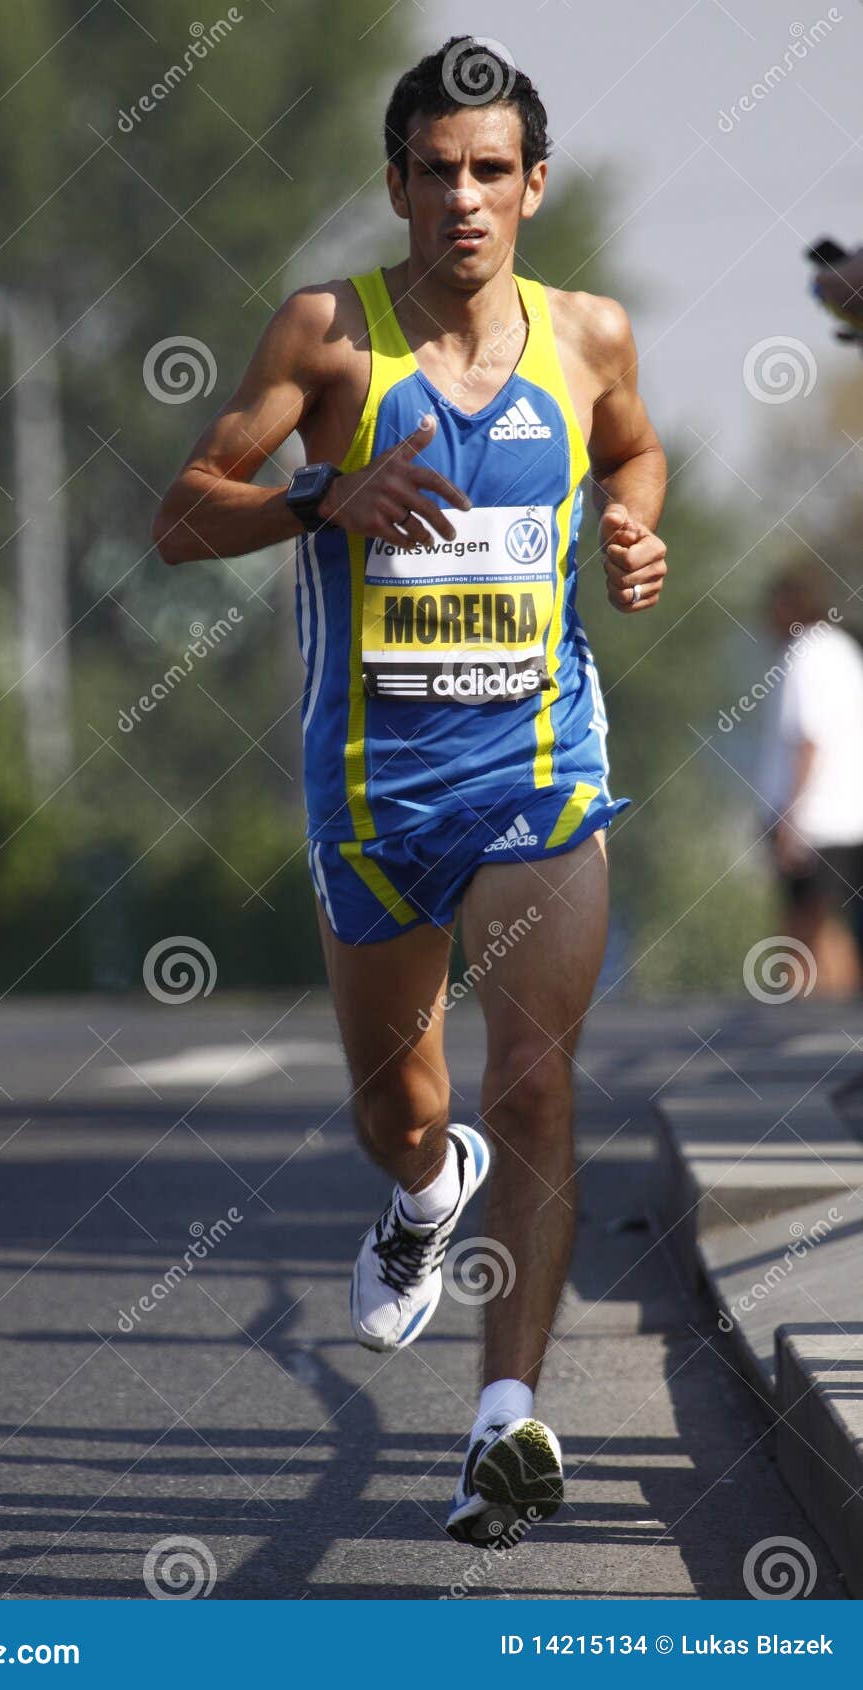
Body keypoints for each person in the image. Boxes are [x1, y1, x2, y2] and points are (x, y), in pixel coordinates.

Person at [152, 36, 668, 1547]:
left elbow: (631, 458)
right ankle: (422, 1189)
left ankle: (502, 1419)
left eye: (488, 171)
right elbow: (182, 514)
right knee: (405, 1112)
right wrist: (323, 489)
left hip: (534, 774)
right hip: (371, 797)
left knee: (532, 1078)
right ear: (392, 185)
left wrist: (631, 536)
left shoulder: (587, 337)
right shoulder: (326, 337)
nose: (462, 196)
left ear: (532, 187)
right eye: (434, 171)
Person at [756, 565, 863, 997]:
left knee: (810, 929)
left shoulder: (805, 653)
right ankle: (827, 1025)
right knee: (830, 925)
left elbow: (809, 739)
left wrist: (791, 820)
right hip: (849, 816)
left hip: (817, 822)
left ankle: (815, 1021)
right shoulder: (843, 649)